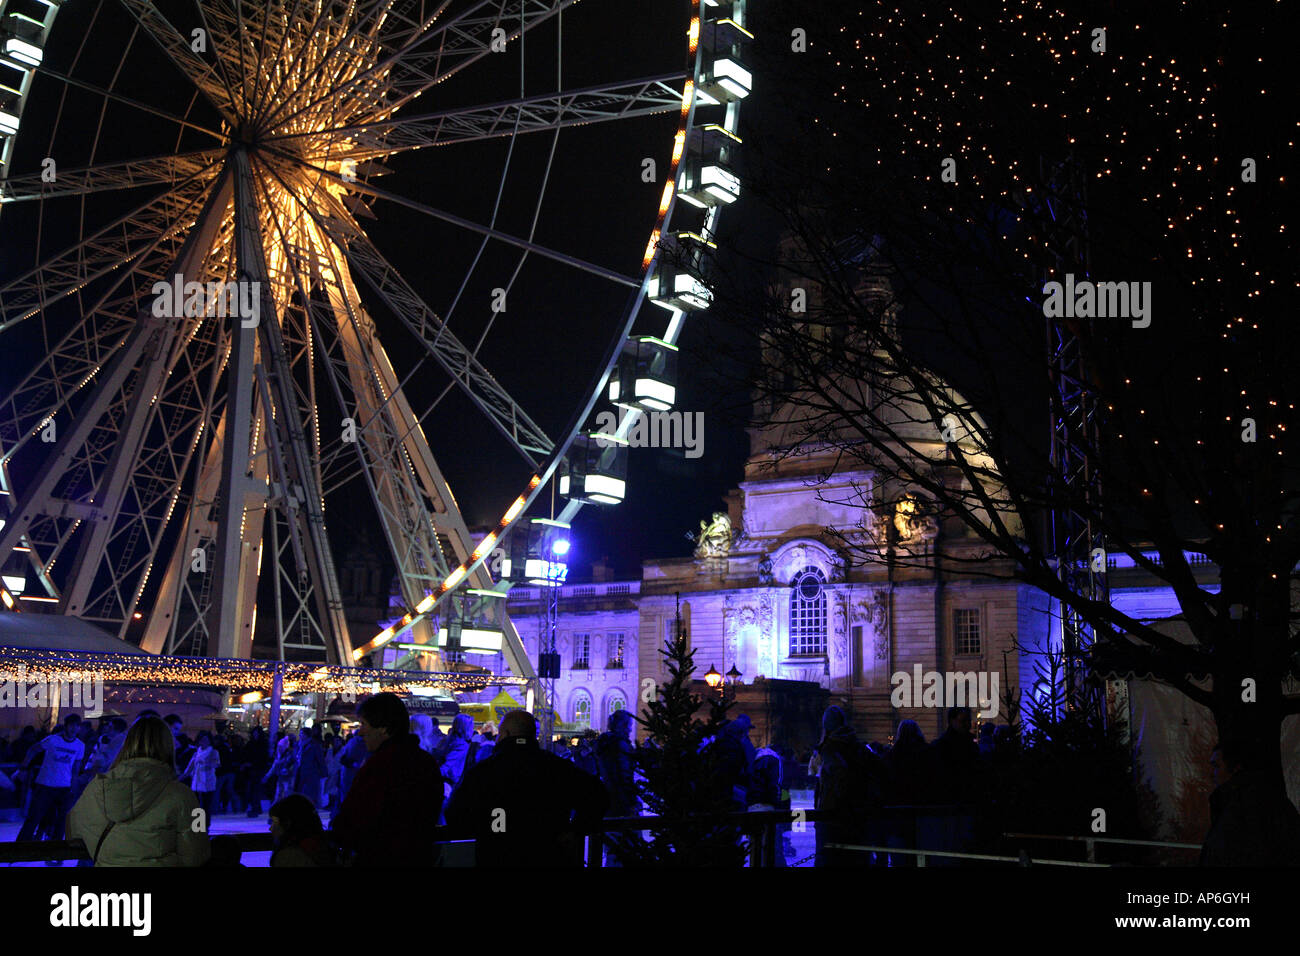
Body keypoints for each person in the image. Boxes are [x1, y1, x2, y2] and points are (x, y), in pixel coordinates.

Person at [445, 710, 608, 867]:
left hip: (498, 856)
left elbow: (455, 814)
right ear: (533, 735)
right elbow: (598, 796)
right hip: (549, 856)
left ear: (505, 734)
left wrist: (486, 828)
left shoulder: (483, 771)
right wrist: (574, 830)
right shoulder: (557, 768)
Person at [67, 715, 211, 866]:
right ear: (168, 746)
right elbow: (197, 850)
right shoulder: (183, 795)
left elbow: (74, 829)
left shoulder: (98, 786)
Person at [329, 693, 444, 866]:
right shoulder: (426, 762)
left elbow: (357, 817)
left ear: (383, 727)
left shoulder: (380, 766)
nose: (360, 732)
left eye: (364, 724)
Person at [1199, 726, 1300, 866]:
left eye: (1216, 766)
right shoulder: (1243, 800)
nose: (1212, 774)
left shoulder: (1247, 805)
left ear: (1235, 767)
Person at [17, 714, 86, 852]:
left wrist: (74, 785)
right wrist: (24, 768)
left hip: (64, 787)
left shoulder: (80, 746)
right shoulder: (53, 740)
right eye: (71, 725)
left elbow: (76, 767)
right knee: (34, 816)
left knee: (61, 819)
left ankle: (56, 849)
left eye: (77, 726)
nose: (74, 728)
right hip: (45, 784)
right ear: (66, 725)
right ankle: (21, 847)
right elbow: (33, 750)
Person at [269, 793, 336, 866]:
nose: (271, 828)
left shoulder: (289, 857)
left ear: (288, 823)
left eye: (274, 822)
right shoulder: (320, 848)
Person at [595, 709, 638, 819]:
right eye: (629, 725)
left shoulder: (604, 742)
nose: (630, 729)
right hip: (621, 797)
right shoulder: (620, 744)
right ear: (622, 725)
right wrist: (631, 799)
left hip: (606, 793)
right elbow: (624, 774)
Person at [181, 732, 221, 821]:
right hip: (196, 783)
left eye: (206, 740)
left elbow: (217, 764)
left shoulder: (213, 752)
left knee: (205, 806)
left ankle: (205, 826)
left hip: (208, 783)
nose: (204, 742)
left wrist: (206, 763)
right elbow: (190, 767)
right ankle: (197, 826)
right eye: (202, 740)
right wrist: (181, 777)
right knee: (196, 805)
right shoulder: (196, 753)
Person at [436, 713, 475, 794]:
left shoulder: (447, 740)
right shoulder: (462, 744)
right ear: (466, 728)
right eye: (471, 726)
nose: (472, 729)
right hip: (450, 782)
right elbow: (448, 765)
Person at [294, 726, 327, 807]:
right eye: (300, 733)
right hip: (300, 772)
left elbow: (320, 759)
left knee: (310, 793)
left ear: (307, 735)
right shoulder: (298, 745)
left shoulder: (314, 745)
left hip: (311, 773)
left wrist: (324, 772)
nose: (300, 735)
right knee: (300, 792)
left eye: (302, 733)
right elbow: (295, 757)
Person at [241, 726, 270, 817]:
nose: (255, 734)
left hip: (258, 768)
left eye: (256, 733)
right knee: (253, 789)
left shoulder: (261, 744)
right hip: (253, 768)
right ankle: (256, 807)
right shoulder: (252, 743)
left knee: (255, 789)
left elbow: (262, 757)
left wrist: (251, 763)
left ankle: (255, 808)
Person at [336, 728, 368, 803]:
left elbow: (342, 757)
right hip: (353, 772)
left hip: (349, 772)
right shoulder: (363, 743)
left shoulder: (352, 742)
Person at [265, 735, 297, 804]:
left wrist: (288, 770)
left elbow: (294, 765)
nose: (279, 748)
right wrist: (267, 776)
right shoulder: (278, 755)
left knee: (287, 793)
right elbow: (274, 766)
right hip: (281, 777)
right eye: (279, 747)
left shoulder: (290, 754)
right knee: (279, 794)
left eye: (281, 747)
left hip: (288, 778)